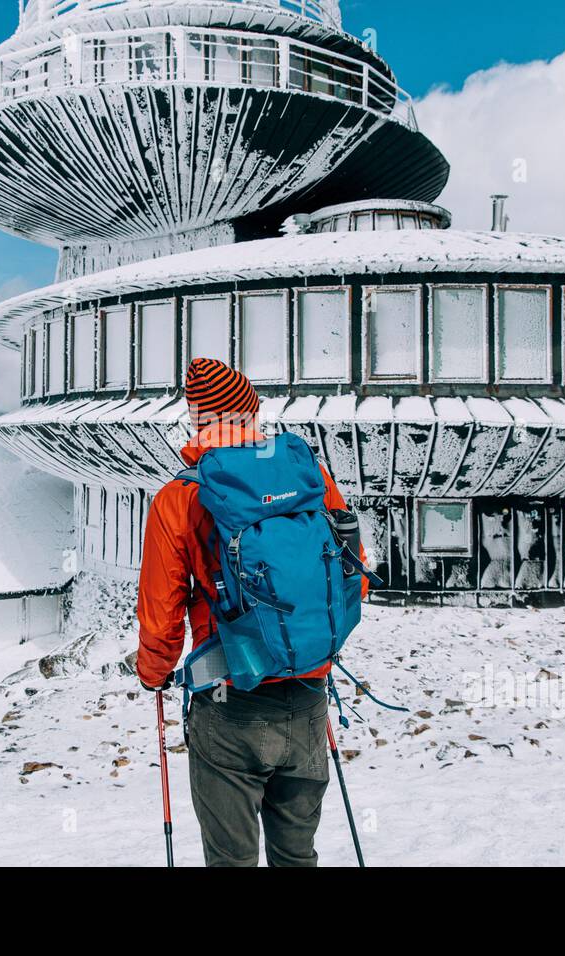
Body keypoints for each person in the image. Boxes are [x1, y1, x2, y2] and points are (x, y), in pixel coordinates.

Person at [136, 357, 367, 867]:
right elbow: (354, 578)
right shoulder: (309, 478)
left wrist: (153, 674)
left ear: (196, 417)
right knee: (296, 855)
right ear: (254, 413)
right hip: (308, 697)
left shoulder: (180, 498)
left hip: (229, 699)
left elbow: (161, 612)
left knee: (232, 861)